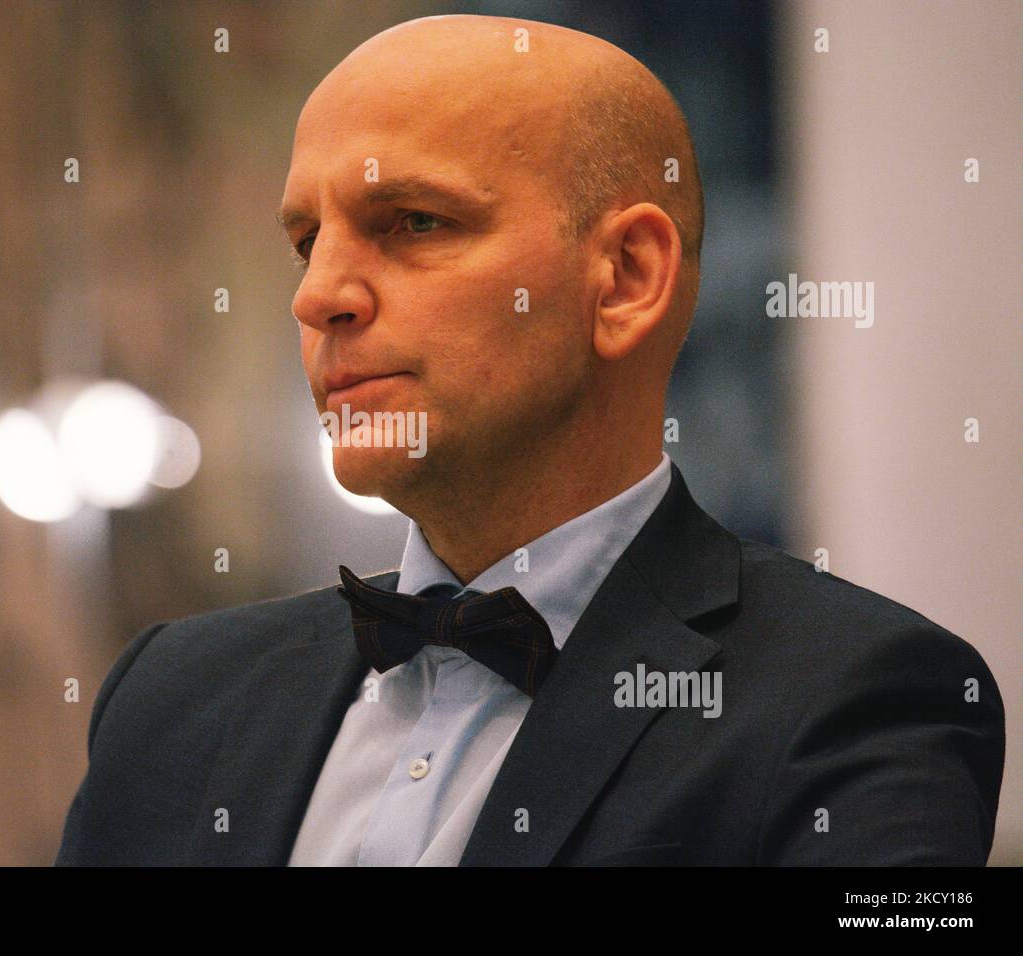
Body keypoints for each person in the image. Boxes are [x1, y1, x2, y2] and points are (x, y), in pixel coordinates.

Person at [54, 14, 1004, 866]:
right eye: (309, 241)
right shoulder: (172, 696)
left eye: (413, 222)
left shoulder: (853, 700)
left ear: (627, 277)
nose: (316, 295)